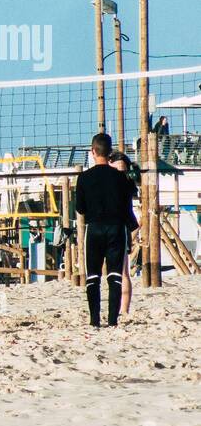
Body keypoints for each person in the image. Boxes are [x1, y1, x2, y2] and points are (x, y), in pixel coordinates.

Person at [76, 133, 136, 327]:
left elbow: (81, 208)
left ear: (93, 152)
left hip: (94, 229)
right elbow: (128, 206)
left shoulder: (84, 178)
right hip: (116, 228)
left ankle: (94, 320)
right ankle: (112, 320)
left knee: (93, 276)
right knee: (115, 276)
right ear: (110, 152)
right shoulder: (121, 178)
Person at [108, 151, 139, 319]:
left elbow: (129, 216)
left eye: (122, 170)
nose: (119, 174)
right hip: (105, 228)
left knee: (122, 271)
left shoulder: (126, 185)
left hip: (121, 227)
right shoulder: (105, 181)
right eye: (115, 170)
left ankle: (124, 310)